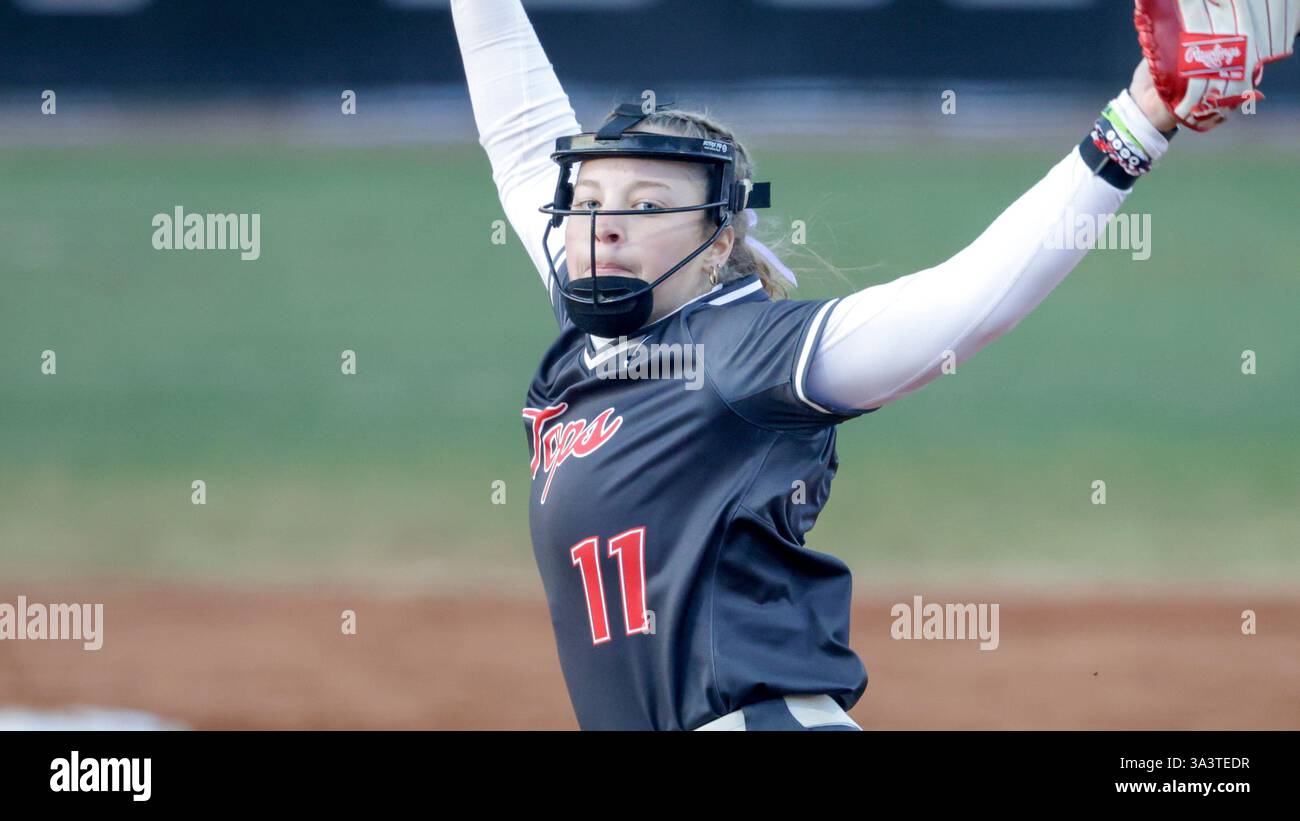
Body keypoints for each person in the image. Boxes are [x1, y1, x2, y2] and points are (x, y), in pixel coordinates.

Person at [451, 0, 1270, 730]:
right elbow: (521, 138)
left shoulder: (743, 352)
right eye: (589, 204)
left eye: (646, 205)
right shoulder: (594, 344)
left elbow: (969, 299)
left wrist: (1136, 122)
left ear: (719, 243)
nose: (607, 228)